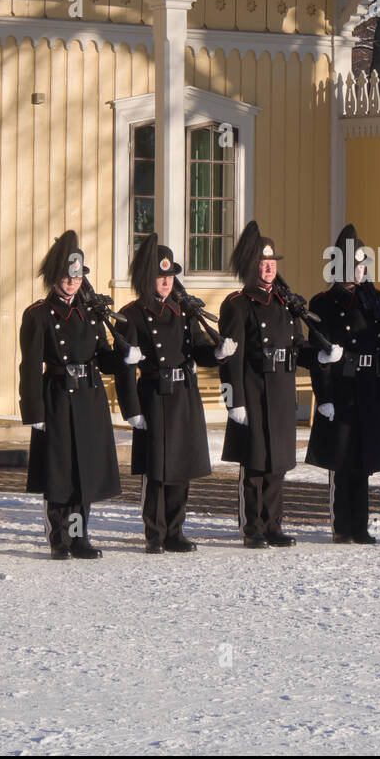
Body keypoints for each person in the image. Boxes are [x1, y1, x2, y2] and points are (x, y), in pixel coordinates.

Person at [19, 232, 134, 559]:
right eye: (67, 276)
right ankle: (59, 539)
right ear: (55, 277)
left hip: (88, 397)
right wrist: (34, 411)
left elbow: (102, 357)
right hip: (56, 396)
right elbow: (29, 366)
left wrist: (125, 356)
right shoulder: (38, 314)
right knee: (59, 472)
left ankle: (79, 536)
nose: (72, 282)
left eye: (77, 276)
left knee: (84, 469)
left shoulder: (91, 313)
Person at [305, 225, 380, 544]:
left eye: (363, 263)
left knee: (364, 460)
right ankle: (343, 525)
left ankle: (361, 525)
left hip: (370, 387)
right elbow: (318, 351)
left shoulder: (373, 300)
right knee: (343, 461)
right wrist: (323, 395)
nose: (361, 269)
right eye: (355, 264)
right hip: (341, 386)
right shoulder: (323, 302)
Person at [218, 221, 321, 548]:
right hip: (252, 392)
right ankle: (252, 528)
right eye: (263, 264)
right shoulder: (237, 304)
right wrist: (234, 402)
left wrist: (322, 355)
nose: (268, 268)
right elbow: (230, 358)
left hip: (280, 392)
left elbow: (298, 348)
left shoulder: (286, 303)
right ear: (251, 266)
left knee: (277, 466)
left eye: (272, 263)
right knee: (254, 466)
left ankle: (273, 524)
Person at [114, 235, 217, 552]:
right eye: (161, 276)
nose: (166, 281)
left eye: (170, 275)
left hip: (184, 392)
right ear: (149, 278)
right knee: (156, 470)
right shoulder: (131, 313)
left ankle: (176, 530)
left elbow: (198, 351)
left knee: (181, 467)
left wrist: (219, 353)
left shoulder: (184, 311)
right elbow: (125, 367)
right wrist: (131, 409)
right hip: (155, 395)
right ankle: (154, 533)